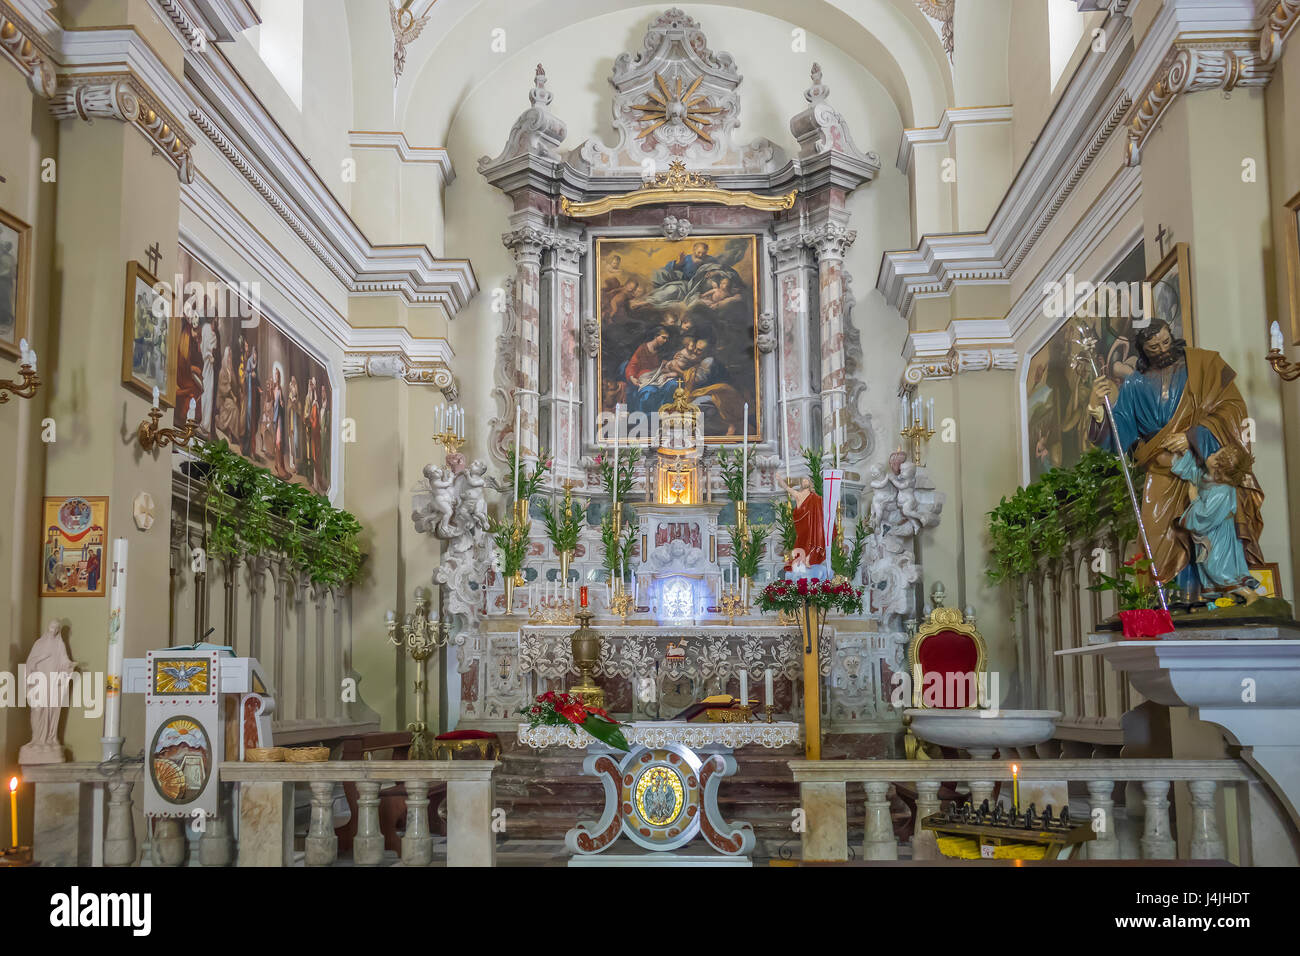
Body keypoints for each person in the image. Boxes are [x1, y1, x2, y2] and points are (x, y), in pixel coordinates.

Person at [1087, 319, 1264, 590]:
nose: (1162, 350)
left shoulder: (1202, 365)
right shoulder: (1134, 383)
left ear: (1172, 336)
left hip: (1206, 466)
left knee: (1213, 531)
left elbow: (1232, 408)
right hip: (1162, 468)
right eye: (1153, 347)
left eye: (1166, 342)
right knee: (1159, 536)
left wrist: (1193, 436)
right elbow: (1122, 430)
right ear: (1143, 349)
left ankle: (1215, 593)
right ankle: (1173, 596)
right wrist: (1098, 410)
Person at [1161, 444, 1261, 603]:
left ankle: (1249, 595)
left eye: (1214, 454)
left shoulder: (1223, 491)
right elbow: (1192, 472)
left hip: (1219, 537)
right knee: (1210, 569)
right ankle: (1229, 600)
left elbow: (1205, 516)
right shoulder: (1208, 479)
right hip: (1210, 537)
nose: (1210, 454)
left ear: (1217, 466)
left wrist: (1194, 498)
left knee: (1218, 568)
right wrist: (1184, 452)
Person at [778, 475, 828, 579]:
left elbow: (822, 511)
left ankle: (809, 559)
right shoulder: (798, 495)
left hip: (814, 524)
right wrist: (780, 480)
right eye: (803, 481)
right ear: (801, 484)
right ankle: (802, 559)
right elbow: (787, 488)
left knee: (814, 540)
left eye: (807, 481)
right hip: (803, 525)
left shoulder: (816, 497)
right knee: (802, 542)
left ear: (810, 484)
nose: (805, 482)